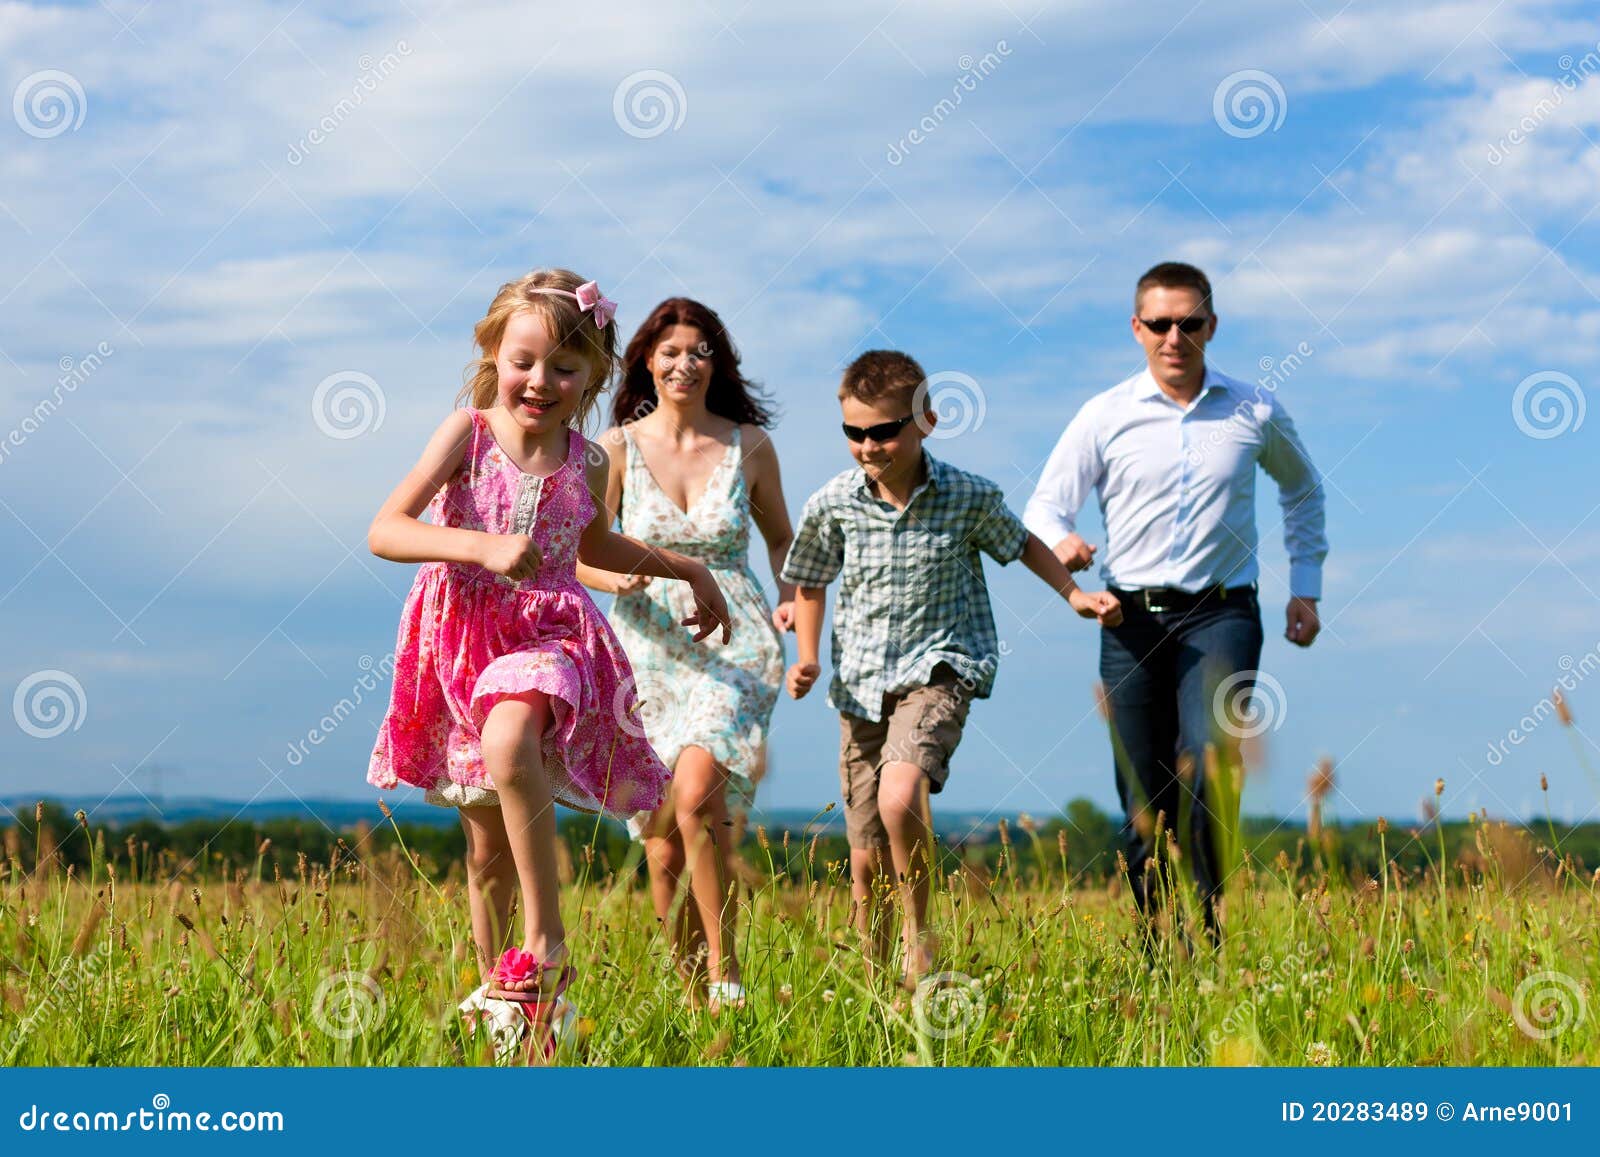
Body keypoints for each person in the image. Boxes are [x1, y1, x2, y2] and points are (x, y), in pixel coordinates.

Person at [365, 268, 732, 1053]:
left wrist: (687, 567)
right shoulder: (465, 434)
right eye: (524, 360)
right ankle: (510, 998)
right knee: (486, 849)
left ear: (593, 377)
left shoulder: (586, 462)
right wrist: (479, 545)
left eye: (565, 368)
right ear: (493, 349)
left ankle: (546, 944)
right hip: (459, 645)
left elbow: (592, 544)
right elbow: (387, 529)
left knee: (510, 741)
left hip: (550, 638)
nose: (541, 381)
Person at [782, 350, 1121, 987]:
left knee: (901, 793)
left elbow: (1021, 544)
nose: (868, 445)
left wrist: (1074, 595)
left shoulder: (966, 496)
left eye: (884, 430)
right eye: (854, 432)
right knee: (864, 854)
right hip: (858, 685)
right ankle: (878, 986)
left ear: (927, 422)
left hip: (942, 668)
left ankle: (919, 937)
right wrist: (805, 657)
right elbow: (807, 583)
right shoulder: (832, 503)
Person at [1023, 260, 1327, 944]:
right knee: (1144, 799)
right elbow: (1042, 507)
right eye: (1159, 323)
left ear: (1210, 326)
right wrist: (1064, 539)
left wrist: (1305, 584)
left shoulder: (1254, 408)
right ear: (1137, 328)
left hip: (1224, 615)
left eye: (1189, 323)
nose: (1174, 337)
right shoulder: (1103, 415)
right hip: (1128, 619)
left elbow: (1303, 489)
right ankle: (1159, 947)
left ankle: (1211, 936)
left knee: (1210, 772)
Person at [577, 297, 793, 1012]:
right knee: (663, 835)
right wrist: (618, 578)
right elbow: (578, 552)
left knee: (699, 795)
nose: (684, 363)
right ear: (646, 359)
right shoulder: (613, 448)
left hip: (735, 637)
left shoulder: (750, 446)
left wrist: (794, 597)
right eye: (670, 350)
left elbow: (781, 539)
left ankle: (726, 976)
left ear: (717, 363)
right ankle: (689, 997)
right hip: (644, 644)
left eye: (699, 351)